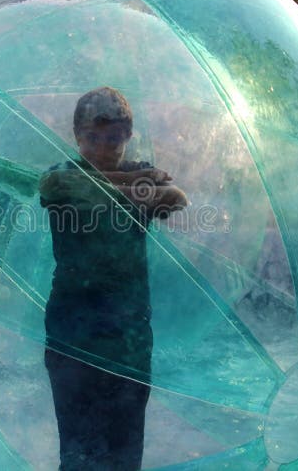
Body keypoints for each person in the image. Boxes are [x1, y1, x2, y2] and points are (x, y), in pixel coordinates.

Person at [39, 87, 188, 470]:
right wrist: (139, 181)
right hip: (73, 333)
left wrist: (144, 183)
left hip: (128, 334)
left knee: (124, 450)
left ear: (127, 136)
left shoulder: (140, 174)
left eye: (112, 139)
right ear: (76, 136)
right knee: (76, 450)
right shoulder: (60, 175)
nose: (102, 148)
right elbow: (58, 188)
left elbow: (176, 198)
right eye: (92, 138)